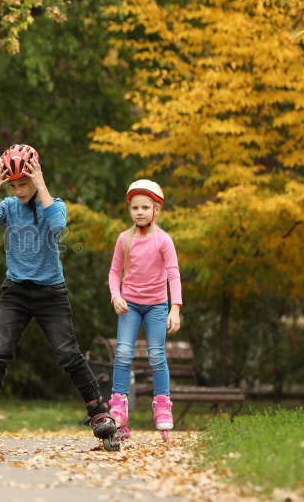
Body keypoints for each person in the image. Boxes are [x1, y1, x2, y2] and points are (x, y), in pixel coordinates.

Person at [0, 143, 118, 452]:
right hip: (16, 292)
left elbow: (57, 225)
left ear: (35, 178)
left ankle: (99, 413)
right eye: (15, 184)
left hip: (51, 293)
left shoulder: (55, 204)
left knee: (68, 353)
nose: (20, 190)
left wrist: (41, 185)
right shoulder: (8, 206)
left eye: (24, 183)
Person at [107, 179, 182, 441]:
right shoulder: (124, 239)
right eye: (135, 207)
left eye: (145, 207)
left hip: (157, 307)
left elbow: (173, 274)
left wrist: (175, 308)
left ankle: (162, 406)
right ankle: (118, 406)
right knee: (124, 352)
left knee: (156, 354)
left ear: (156, 210)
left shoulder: (164, 240)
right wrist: (115, 296)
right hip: (130, 305)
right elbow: (115, 272)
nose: (139, 212)